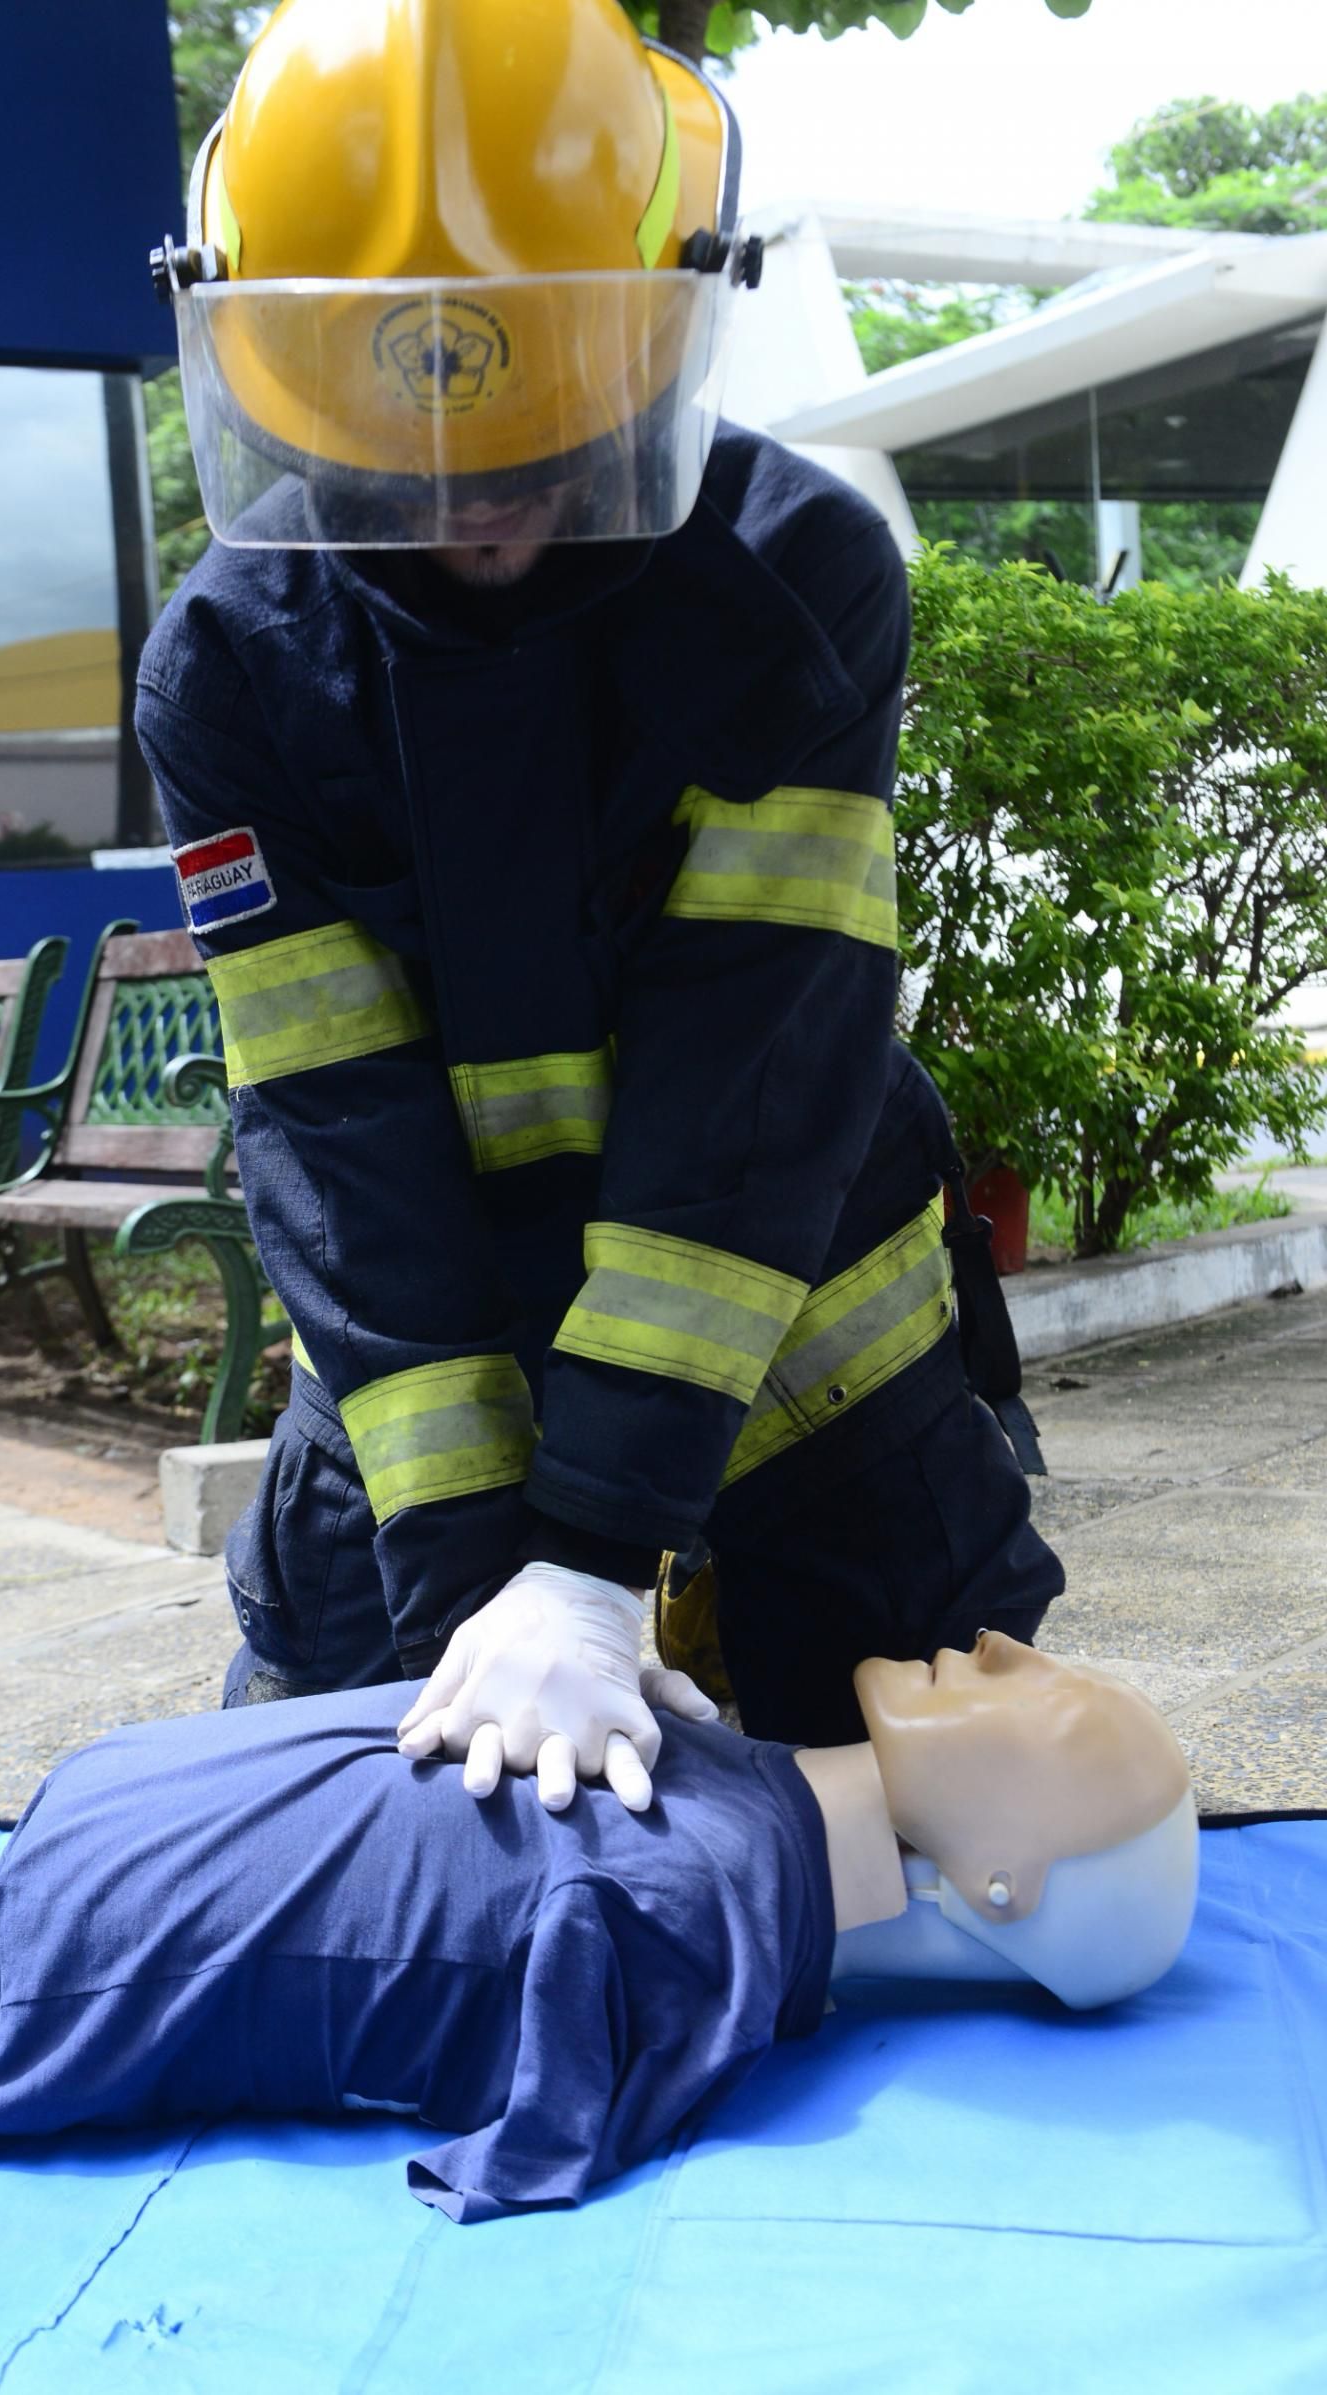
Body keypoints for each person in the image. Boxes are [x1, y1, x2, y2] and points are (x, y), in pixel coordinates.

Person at [135, 0, 1063, 1797]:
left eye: (540, 432)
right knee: (346, 1845)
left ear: (669, 313)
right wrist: (488, 1583)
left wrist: (591, 1556)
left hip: (808, 1369)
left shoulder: (792, 583)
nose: (476, 513)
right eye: (404, 458)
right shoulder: (236, 668)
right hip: (426, 1388)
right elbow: (335, 1130)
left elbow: (755, 1080)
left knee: (977, 1855)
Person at [0, 1635, 1199, 2223]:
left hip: (65, 1921)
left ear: (1005, 1887)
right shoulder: (748, 1831)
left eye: (1062, 1716)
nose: (1006, 1647)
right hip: (92, 1845)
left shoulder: (692, 1918)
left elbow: (543, 2119)